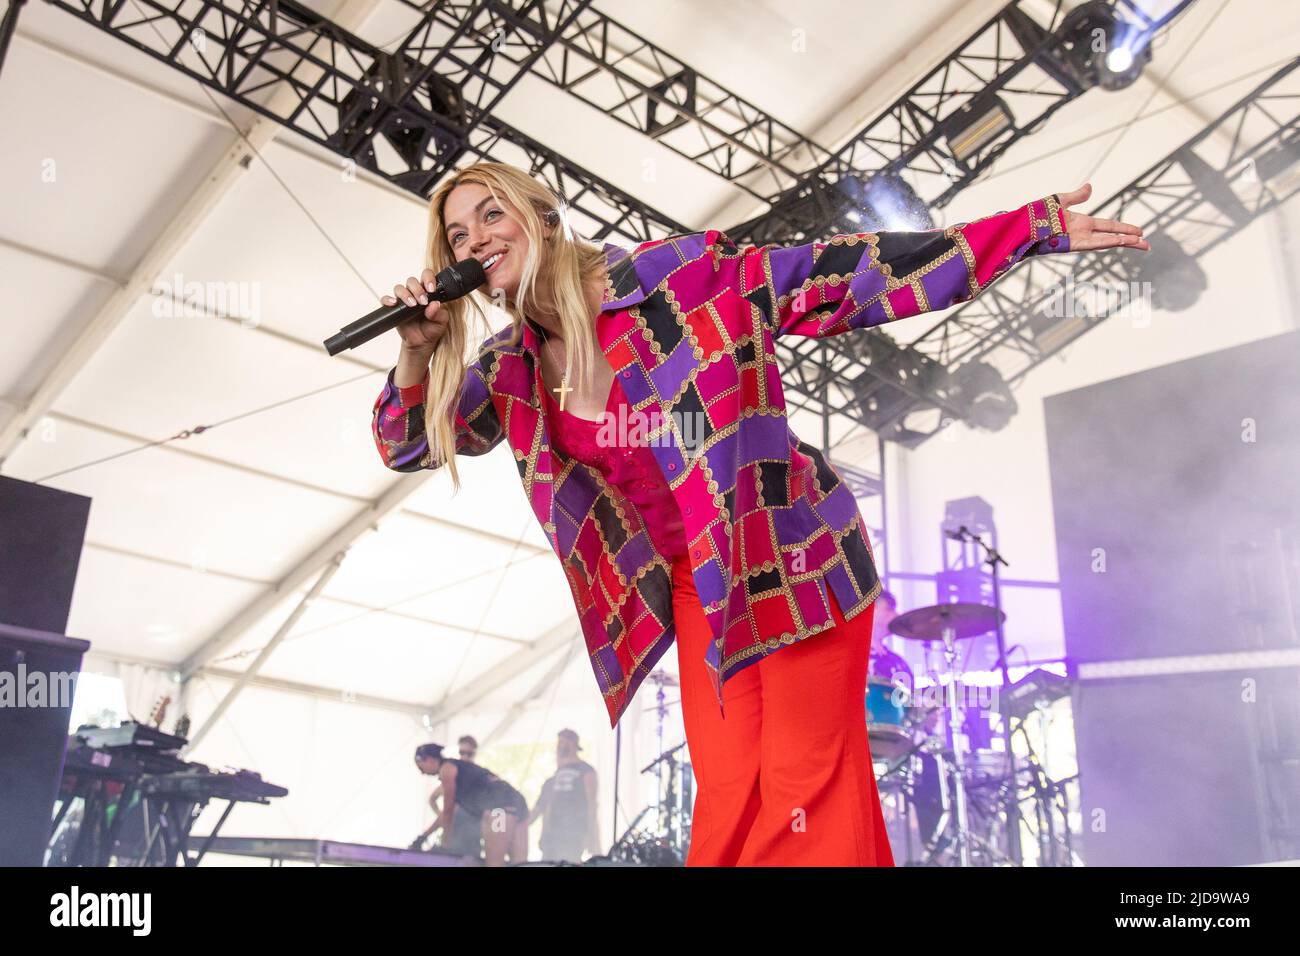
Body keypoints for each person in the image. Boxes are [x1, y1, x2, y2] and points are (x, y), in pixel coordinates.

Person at [371, 161, 1147, 865]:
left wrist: (1028, 229)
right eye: (458, 235)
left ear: (544, 220)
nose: (477, 239)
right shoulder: (507, 369)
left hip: (787, 545)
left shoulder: (677, 278)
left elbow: (844, 273)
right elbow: (407, 443)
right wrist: (415, 350)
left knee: (801, 781)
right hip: (695, 582)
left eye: (492, 215)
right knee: (731, 791)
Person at [412, 743, 528, 866]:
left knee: (494, 864)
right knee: (520, 864)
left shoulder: (447, 769)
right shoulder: (465, 774)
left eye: (420, 767)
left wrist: (445, 844)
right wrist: (424, 837)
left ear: (429, 760)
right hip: (519, 805)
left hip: (499, 809)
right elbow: (449, 811)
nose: (422, 773)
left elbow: (448, 810)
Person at [528, 729, 599, 862]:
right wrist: (520, 826)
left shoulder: (586, 771)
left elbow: (592, 804)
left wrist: (592, 835)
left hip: (573, 833)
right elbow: (540, 807)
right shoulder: (552, 780)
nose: (560, 746)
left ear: (574, 745)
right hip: (551, 836)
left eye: (564, 742)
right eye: (559, 743)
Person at [412, 735, 484, 858]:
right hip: (459, 836)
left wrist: (428, 838)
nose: (465, 757)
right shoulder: (455, 772)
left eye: (469, 754)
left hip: (470, 838)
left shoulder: (455, 771)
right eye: (462, 753)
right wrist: (441, 816)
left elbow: (450, 810)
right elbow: (434, 800)